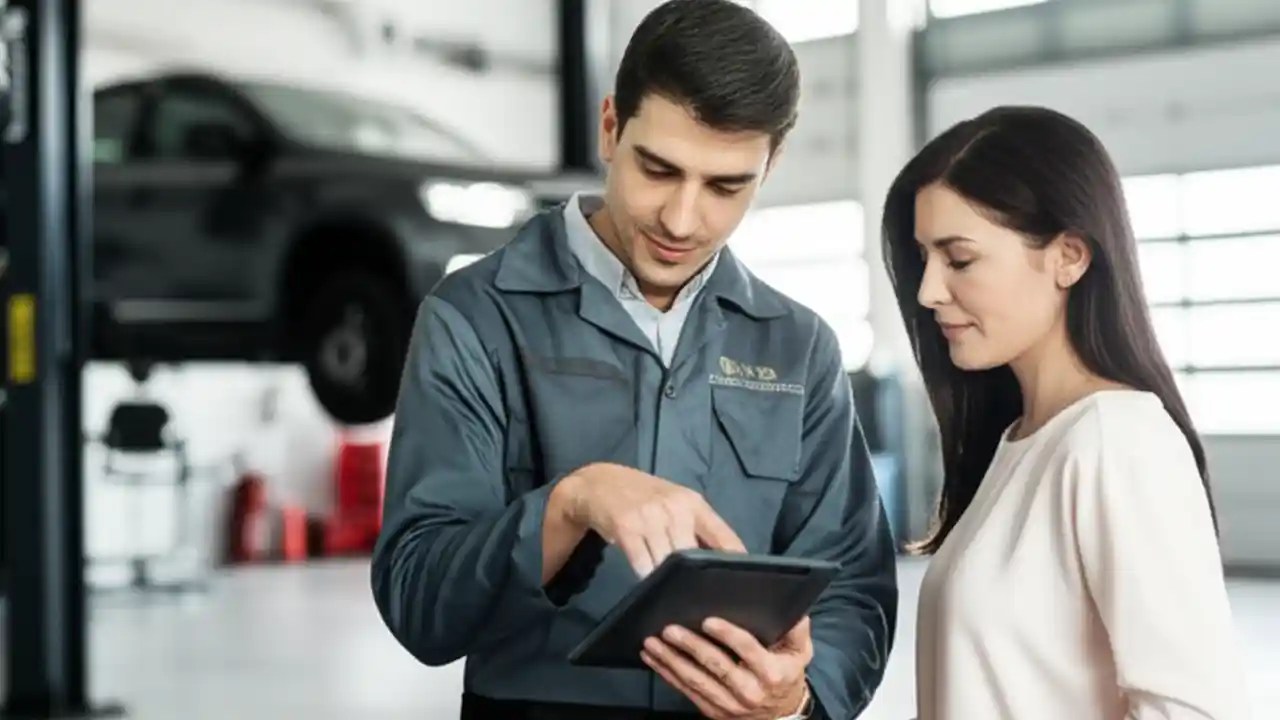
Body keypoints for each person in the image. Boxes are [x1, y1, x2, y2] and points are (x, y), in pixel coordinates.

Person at [371, 1, 899, 718]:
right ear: (610, 127)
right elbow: (420, 602)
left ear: (770, 165)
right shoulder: (475, 318)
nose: (681, 219)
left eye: (725, 186)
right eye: (658, 169)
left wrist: (798, 699)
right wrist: (569, 504)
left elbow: (855, 591)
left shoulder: (798, 347)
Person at [880, 105, 1248, 720]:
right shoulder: (1019, 443)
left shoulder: (1116, 439)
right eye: (924, 258)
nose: (928, 291)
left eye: (959, 259)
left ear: (1069, 257)